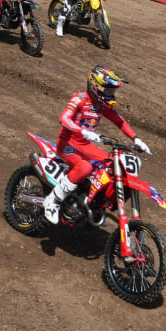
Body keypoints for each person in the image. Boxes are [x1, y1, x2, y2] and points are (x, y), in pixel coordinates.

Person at [43, 67, 150, 225]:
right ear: (95, 87)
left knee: (113, 166)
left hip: (85, 145)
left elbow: (119, 121)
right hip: (67, 143)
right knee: (85, 167)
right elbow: (63, 118)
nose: (111, 94)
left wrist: (136, 138)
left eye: (112, 90)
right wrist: (82, 131)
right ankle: (52, 200)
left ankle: (96, 207)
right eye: (108, 90)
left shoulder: (101, 105)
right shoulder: (79, 99)